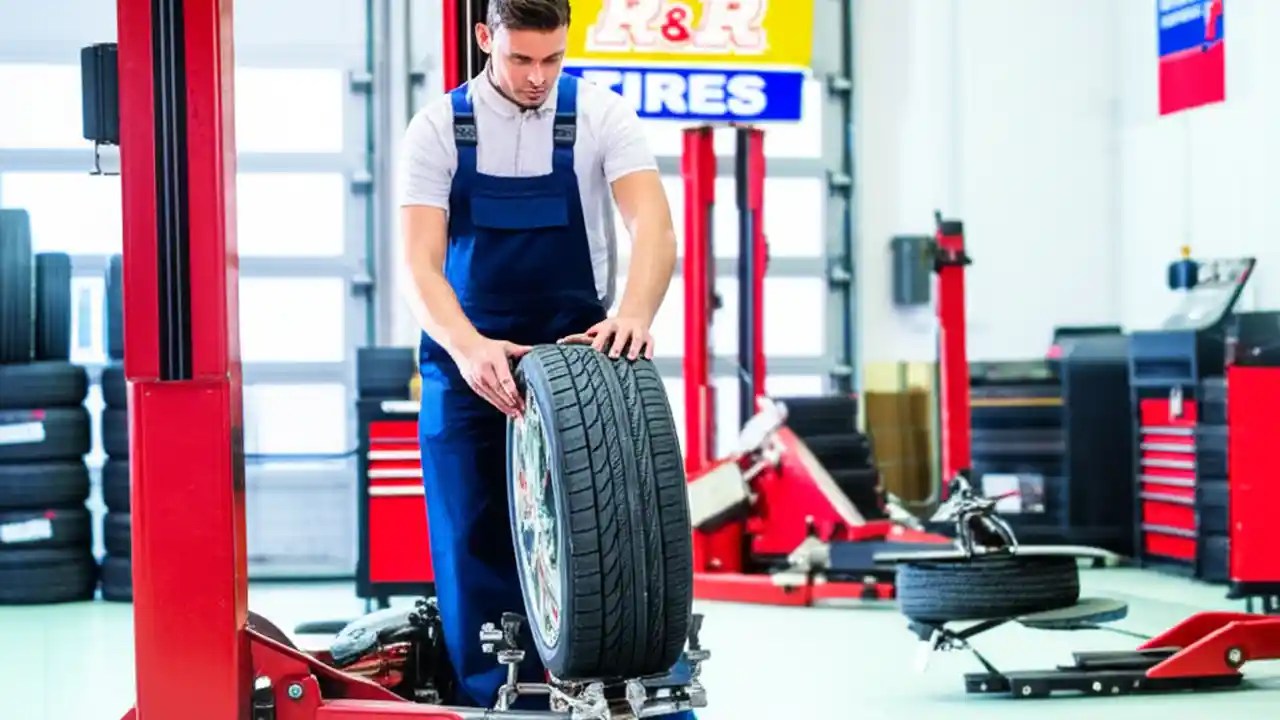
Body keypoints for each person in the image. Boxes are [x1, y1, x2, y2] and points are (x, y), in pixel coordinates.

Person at [397, 0, 694, 715]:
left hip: (576, 352)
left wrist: (633, 314)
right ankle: (497, 700)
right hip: (467, 355)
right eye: (521, 59)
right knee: (474, 531)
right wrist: (468, 349)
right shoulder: (438, 128)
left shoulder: (600, 116)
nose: (537, 77)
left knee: (619, 522)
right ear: (484, 39)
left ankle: (638, 686)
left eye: (552, 59)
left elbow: (653, 224)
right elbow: (418, 263)